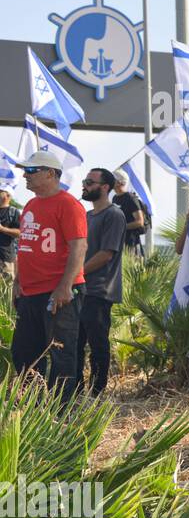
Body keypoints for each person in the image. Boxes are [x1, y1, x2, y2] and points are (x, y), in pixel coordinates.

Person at [12, 151, 87, 401]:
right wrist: (17, 282)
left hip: (58, 292)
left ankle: (60, 411)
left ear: (51, 173)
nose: (25, 175)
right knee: (24, 352)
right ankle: (32, 407)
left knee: (60, 353)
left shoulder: (68, 204)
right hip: (30, 292)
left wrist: (65, 286)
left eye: (31, 171)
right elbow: (26, 246)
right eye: (25, 171)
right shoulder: (30, 205)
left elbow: (79, 247)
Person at [76, 168, 126, 396]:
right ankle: (75, 391)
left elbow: (106, 253)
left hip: (99, 290)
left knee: (97, 343)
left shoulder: (114, 215)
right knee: (75, 343)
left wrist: (77, 273)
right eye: (84, 181)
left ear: (105, 187)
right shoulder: (87, 216)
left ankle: (97, 392)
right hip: (79, 288)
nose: (84, 186)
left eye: (89, 182)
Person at [111, 169, 147, 256]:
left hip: (131, 242)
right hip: (118, 241)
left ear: (120, 182)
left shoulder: (130, 198)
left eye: (113, 179)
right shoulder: (115, 198)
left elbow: (140, 222)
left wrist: (121, 227)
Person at [0, 187, 22, 282]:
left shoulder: (13, 212)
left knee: (5, 287)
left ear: (8, 195)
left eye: (0, 191)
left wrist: (2, 229)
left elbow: (20, 233)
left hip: (5, 259)